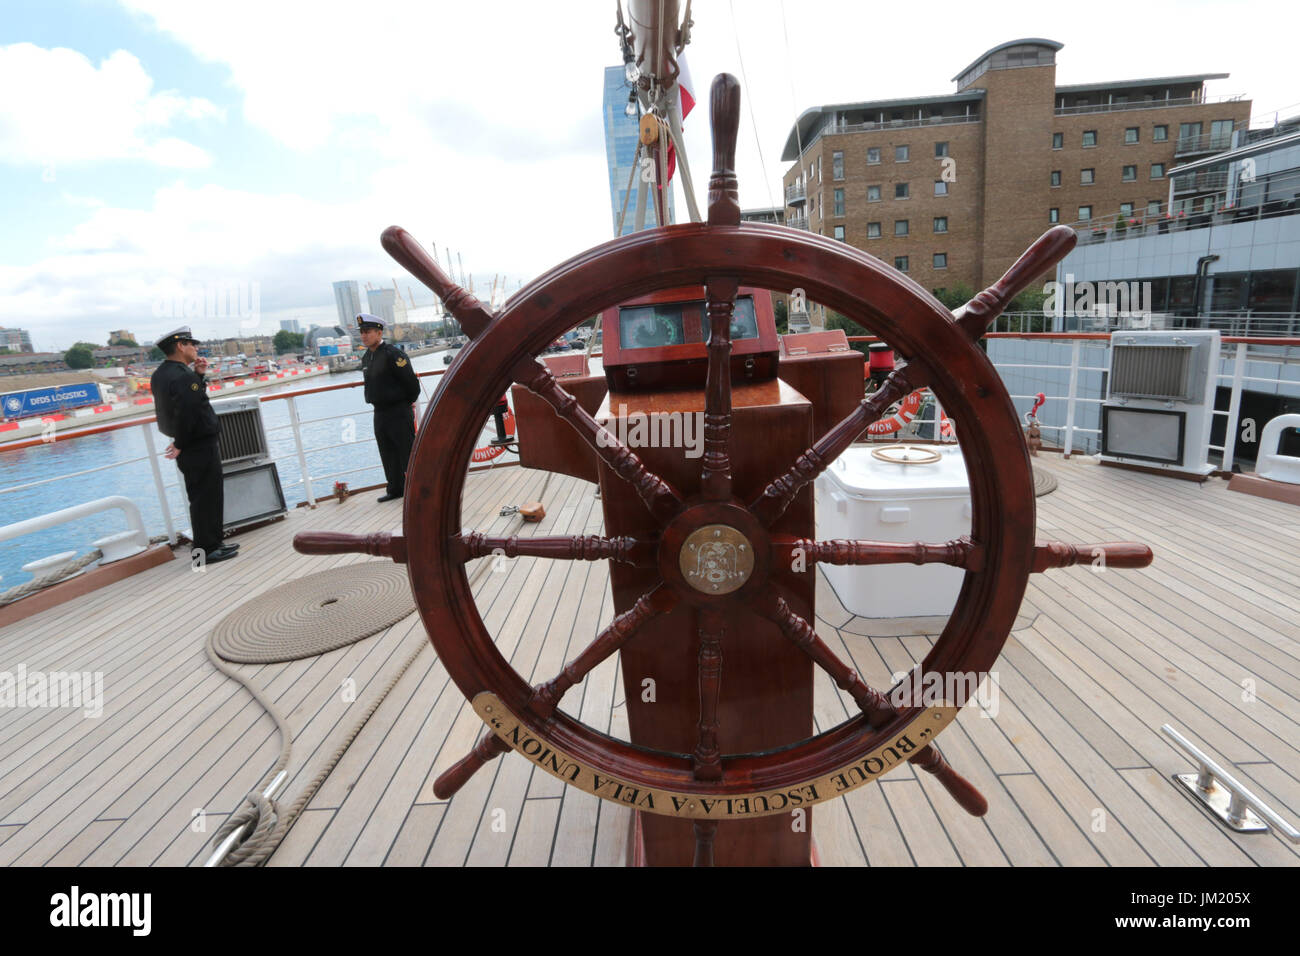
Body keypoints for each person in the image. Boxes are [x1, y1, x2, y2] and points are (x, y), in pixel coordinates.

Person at [151, 326, 239, 564]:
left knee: (203, 496)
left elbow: (183, 403)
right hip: (197, 444)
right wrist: (180, 443)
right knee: (206, 497)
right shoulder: (181, 375)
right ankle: (207, 550)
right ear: (180, 346)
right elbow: (187, 412)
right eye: (192, 345)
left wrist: (198, 375)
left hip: (190, 443)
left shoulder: (162, 373)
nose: (196, 349)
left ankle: (214, 542)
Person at [358, 313, 420, 502]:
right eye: (361, 332)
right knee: (387, 451)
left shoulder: (394, 355)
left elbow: (412, 385)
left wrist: (403, 404)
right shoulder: (367, 357)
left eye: (367, 332)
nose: (364, 336)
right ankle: (395, 488)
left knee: (407, 451)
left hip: (398, 411)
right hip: (380, 411)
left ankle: (419, 486)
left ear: (379, 333)